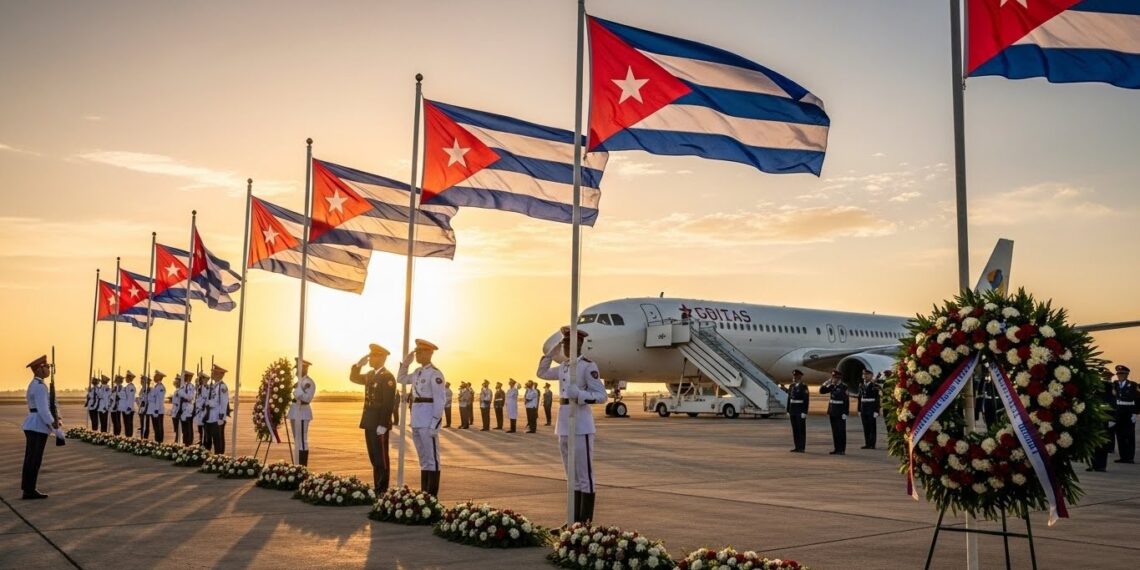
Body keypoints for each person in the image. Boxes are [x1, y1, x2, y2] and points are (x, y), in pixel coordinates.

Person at [537, 326, 607, 524]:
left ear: (579, 344)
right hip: (564, 423)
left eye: (569, 343)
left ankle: (584, 524)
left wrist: (582, 395)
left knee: (585, 476)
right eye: (564, 343)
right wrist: (551, 353)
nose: (566, 347)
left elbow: (602, 396)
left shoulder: (587, 366)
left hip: (581, 423)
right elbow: (541, 373)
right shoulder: (565, 367)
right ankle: (572, 522)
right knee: (572, 477)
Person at [397, 339, 446, 496]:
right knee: (424, 459)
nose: (416, 354)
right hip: (417, 420)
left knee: (432, 459)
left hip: (428, 421)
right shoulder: (418, 372)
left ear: (428, 353)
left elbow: (439, 400)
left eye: (419, 352)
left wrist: (435, 423)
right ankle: (424, 494)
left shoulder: (435, 374)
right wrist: (405, 364)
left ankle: (432, 496)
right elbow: (401, 379)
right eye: (416, 352)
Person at [350, 344, 398, 492]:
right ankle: (377, 486)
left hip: (379, 423)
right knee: (374, 458)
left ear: (381, 358)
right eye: (369, 356)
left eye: (372, 356)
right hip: (369, 421)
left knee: (381, 458)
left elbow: (388, 402)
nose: (369, 359)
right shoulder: (371, 375)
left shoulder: (387, 377)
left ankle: (382, 489)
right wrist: (358, 365)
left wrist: (383, 423)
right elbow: (354, 377)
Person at [21, 355, 57, 500]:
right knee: (34, 459)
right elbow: (43, 409)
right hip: (37, 424)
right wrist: (52, 422)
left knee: (31, 459)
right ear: (39, 369)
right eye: (47, 367)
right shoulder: (40, 386)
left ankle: (28, 488)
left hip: (33, 423)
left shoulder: (35, 384)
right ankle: (29, 490)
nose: (49, 369)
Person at [1089, 367, 1116, 472]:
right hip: (1094, 418)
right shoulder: (1094, 388)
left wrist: (1112, 419)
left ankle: (1101, 465)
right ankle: (1094, 464)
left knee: (1102, 444)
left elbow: (1113, 403)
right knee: (1092, 443)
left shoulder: (1108, 387)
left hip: (1104, 418)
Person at [289, 359, 316, 466]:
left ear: (304, 369)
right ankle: (297, 464)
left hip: (303, 412)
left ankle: (302, 466)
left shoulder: (308, 382)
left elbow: (307, 398)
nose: (296, 372)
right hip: (295, 411)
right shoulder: (299, 382)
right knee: (296, 440)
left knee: (302, 441)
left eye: (298, 369)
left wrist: (297, 392)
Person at [819, 370, 848, 455]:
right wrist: (827, 382)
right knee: (835, 431)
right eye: (833, 378)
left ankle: (842, 449)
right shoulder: (832, 386)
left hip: (840, 412)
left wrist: (845, 413)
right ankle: (836, 448)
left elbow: (846, 401)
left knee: (841, 431)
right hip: (832, 411)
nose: (833, 379)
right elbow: (821, 391)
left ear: (839, 378)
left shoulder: (844, 387)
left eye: (835, 378)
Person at [1113, 364, 1136, 464]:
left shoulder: (1133, 385)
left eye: (1122, 374)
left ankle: (1130, 457)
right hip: (1118, 412)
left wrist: (1135, 412)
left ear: (1127, 375)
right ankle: (1123, 456)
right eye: (1118, 374)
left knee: (1129, 435)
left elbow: (1137, 399)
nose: (1120, 376)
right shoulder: (1115, 384)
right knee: (1120, 435)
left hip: (1129, 411)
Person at [205, 364, 230, 454]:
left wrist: (221, 417)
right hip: (211, 416)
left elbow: (223, 403)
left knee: (218, 439)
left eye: (214, 372)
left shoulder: (222, 387)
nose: (212, 374)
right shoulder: (214, 386)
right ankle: (215, 456)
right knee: (211, 438)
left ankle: (219, 457)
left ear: (219, 374)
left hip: (217, 416)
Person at [857, 369, 880, 449]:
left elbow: (877, 399)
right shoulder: (861, 385)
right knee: (865, 426)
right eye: (864, 374)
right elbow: (859, 398)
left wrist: (876, 410)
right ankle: (867, 443)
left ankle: (872, 444)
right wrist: (859, 409)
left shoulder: (874, 385)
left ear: (871, 376)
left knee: (872, 426)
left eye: (867, 374)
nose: (865, 376)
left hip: (871, 407)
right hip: (864, 407)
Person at [786, 369, 809, 452]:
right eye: (794, 376)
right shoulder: (791, 386)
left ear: (799, 377)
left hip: (800, 410)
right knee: (795, 429)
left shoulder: (803, 386)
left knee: (801, 429)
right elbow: (789, 399)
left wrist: (804, 412)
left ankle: (801, 447)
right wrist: (788, 410)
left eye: (796, 376)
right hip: (793, 410)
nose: (794, 378)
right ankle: (797, 446)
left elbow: (806, 400)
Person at [148, 370, 167, 443]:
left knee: (159, 427)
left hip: (158, 410)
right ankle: (157, 441)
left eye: (155, 376)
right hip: (154, 409)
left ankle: (159, 442)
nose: (154, 377)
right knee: (155, 427)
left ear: (159, 377)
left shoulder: (160, 387)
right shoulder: (156, 386)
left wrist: (156, 409)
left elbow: (159, 399)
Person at [177, 371, 196, 446]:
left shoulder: (191, 386)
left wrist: (182, 393)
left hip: (188, 408)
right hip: (183, 408)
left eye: (185, 376)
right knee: (184, 428)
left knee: (188, 428)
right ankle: (185, 443)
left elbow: (190, 397)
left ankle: (189, 443)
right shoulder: (183, 386)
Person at [120, 370, 137, 437]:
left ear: (130, 378)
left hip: (128, 408)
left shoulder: (131, 387)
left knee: (129, 424)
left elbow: (130, 398)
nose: (125, 379)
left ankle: (129, 437)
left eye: (126, 378)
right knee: (126, 424)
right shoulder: (127, 386)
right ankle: (127, 436)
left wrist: (129, 408)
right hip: (125, 408)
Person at [169, 374, 182, 444]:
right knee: (176, 427)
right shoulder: (176, 391)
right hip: (174, 410)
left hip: (178, 410)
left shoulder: (180, 390)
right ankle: (176, 439)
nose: (175, 382)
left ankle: (177, 440)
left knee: (178, 427)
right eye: (175, 381)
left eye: (177, 381)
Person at [138, 374, 151, 440]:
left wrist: (146, 408)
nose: (141, 381)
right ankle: (142, 438)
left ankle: (145, 438)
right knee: (142, 425)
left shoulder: (147, 389)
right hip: (141, 408)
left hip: (146, 408)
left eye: (142, 380)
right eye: (141, 380)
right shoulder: (142, 389)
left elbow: (148, 400)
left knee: (146, 425)